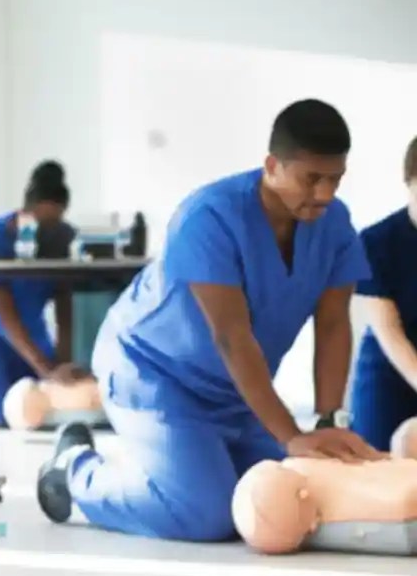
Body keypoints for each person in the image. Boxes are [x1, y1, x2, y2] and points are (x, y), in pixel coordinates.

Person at [36, 99, 384, 543]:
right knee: (207, 516)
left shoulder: (334, 224)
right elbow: (231, 336)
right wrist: (290, 436)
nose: (325, 195)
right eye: (311, 179)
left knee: (286, 494)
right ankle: (77, 472)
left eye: (335, 179)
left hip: (234, 393)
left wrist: (327, 421)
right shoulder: (209, 217)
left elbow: (334, 324)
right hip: (154, 374)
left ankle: (173, 466)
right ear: (272, 166)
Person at [0, 161, 82, 426]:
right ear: (24, 212)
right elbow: (5, 315)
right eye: (41, 225)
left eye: (53, 224)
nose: (47, 233)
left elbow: (65, 305)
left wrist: (63, 363)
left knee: (48, 406)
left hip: (30, 328)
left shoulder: (64, 238)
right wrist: (45, 368)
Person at [349, 134, 417, 451]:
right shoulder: (376, 241)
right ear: (409, 180)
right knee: (379, 465)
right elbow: (389, 330)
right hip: (389, 370)